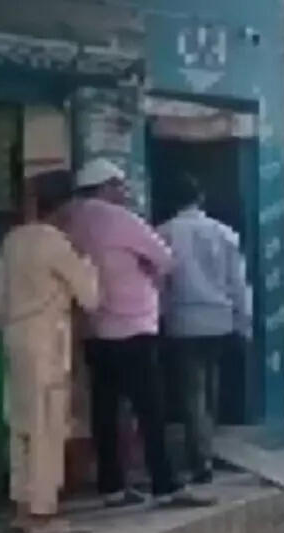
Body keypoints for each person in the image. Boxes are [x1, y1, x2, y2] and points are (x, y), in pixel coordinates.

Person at [61, 159, 209, 509]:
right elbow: (165, 259)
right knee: (150, 408)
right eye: (121, 186)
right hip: (133, 326)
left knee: (105, 409)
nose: (125, 193)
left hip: (94, 327)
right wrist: (145, 273)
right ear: (107, 186)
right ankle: (164, 483)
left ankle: (111, 485)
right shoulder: (119, 218)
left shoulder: (70, 219)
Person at [0, 171, 100, 533]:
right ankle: (42, 513)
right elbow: (90, 297)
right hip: (46, 342)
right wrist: (85, 262)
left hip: (14, 337)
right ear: (66, 205)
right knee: (47, 427)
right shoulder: (56, 243)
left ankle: (22, 506)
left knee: (21, 424)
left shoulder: (12, 240)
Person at [158, 174, 252, 485]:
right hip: (219, 320)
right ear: (200, 198)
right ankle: (206, 447)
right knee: (210, 386)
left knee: (191, 390)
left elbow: (159, 284)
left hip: (182, 321)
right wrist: (244, 321)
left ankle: (201, 458)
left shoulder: (163, 234)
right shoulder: (224, 233)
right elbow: (239, 284)